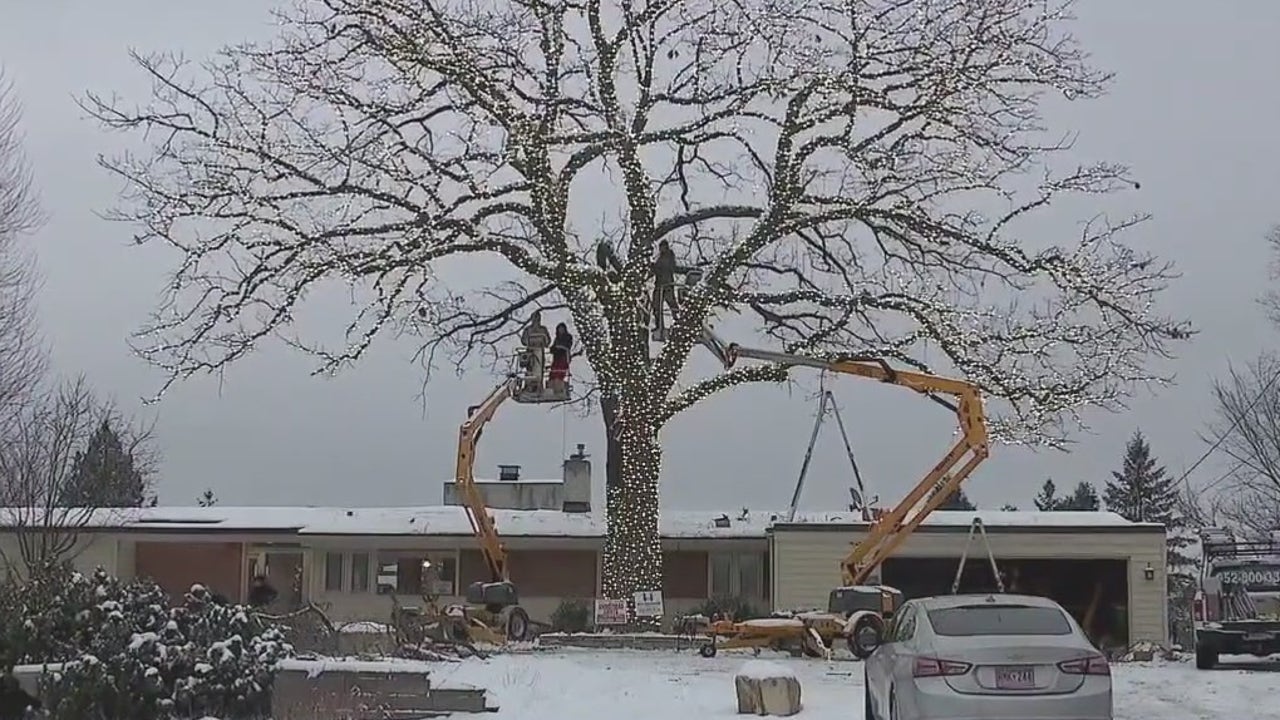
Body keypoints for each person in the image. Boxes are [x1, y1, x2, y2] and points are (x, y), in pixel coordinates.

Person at [651, 240, 680, 338]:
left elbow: (663, 268)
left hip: (666, 285)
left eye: (662, 247)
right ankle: (659, 325)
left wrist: (654, 267)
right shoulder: (661, 257)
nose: (660, 249)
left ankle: (678, 321)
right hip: (660, 285)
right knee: (657, 306)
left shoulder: (668, 256)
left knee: (671, 303)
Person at [520, 311, 552, 392]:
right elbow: (523, 341)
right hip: (530, 351)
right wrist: (530, 341)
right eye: (534, 318)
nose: (536, 320)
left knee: (539, 370)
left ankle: (539, 386)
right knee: (530, 369)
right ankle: (528, 386)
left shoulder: (543, 329)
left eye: (538, 318)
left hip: (540, 352)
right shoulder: (528, 330)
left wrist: (543, 341)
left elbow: (548, 341)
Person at [549, 323, 573, 395]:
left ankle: (559, 384)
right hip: (556, 357)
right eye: (559, 329)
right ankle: (551, 384)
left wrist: (560, 347)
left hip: (563, 357)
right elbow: (553, 347)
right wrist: (554, 348)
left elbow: (567, 346)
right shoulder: (557, 338)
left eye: (562, 329)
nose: (561, 330)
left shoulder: (568, 337)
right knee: (553, 371)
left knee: (560, 371)